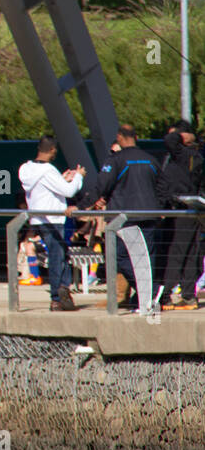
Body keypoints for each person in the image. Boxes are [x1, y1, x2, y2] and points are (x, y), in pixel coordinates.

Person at [83, 124, 159, 309]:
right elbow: (161, 186)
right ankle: (146, 295)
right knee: (144, 259)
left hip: (123, 218)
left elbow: (102, 185)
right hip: (148, 215)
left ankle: (151, 291)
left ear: (120, 137)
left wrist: (80, 206)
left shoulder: (117, 160)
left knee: (119, 257)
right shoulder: (150, 159)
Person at [19, 136, 84, 312]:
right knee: (58, 257)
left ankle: (63, 292)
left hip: (38, 219)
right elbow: (69, 191)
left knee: (60, 255)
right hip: (54, 219)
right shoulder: (48, 170)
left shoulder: (26, 169)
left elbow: (45, 188)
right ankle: (57, 297)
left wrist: (61, 179)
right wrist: (78, 177)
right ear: (53, 150)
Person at [157, 120, 202, 310]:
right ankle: (188, 295)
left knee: (175, 252)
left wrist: (182, 135)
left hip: (180, 211)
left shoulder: (182, 154)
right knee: (191, 252)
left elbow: (169, 139)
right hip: (191, 211)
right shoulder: (197, 157)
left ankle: (165, 294)